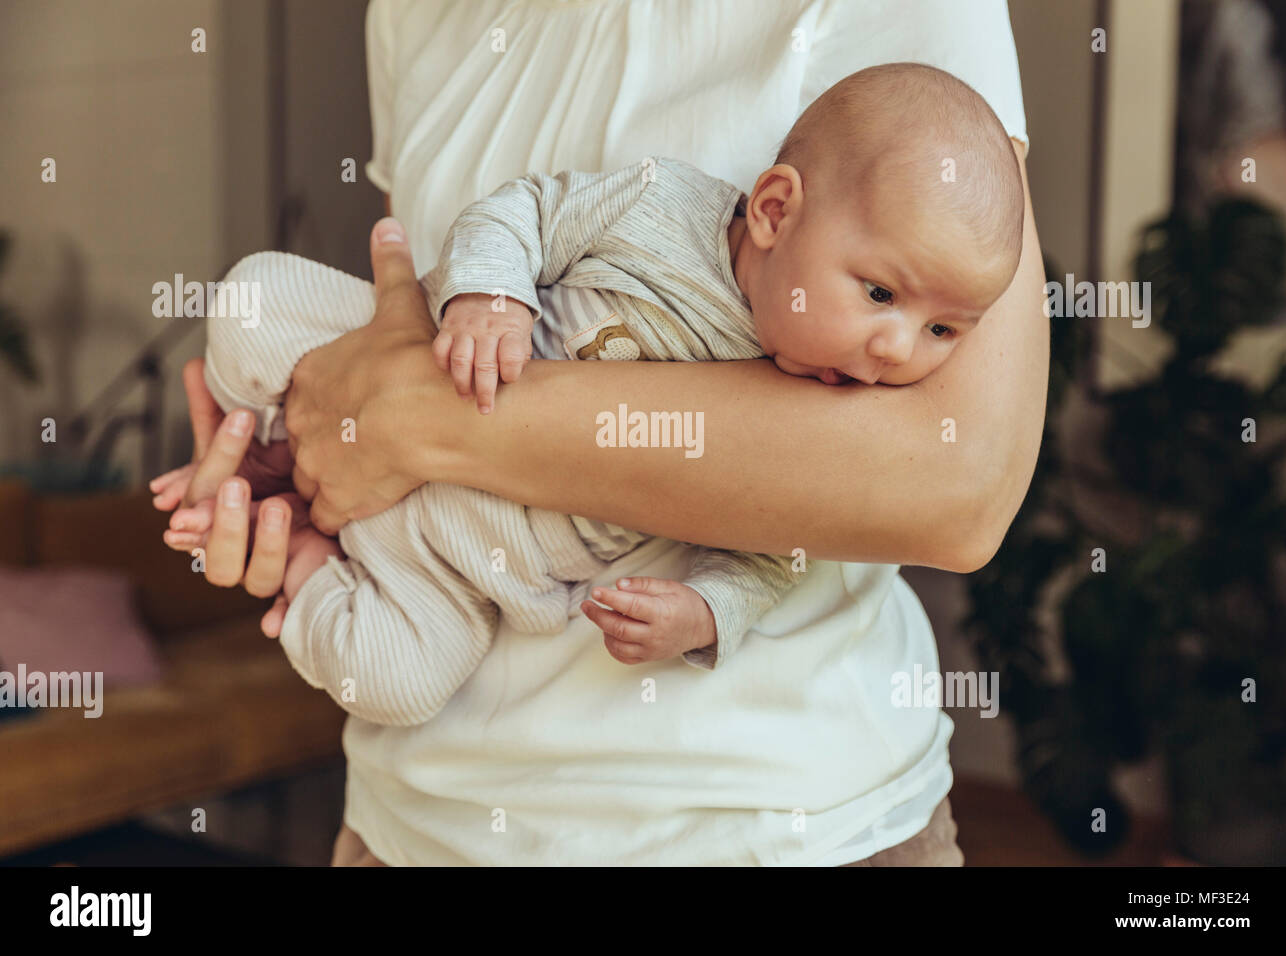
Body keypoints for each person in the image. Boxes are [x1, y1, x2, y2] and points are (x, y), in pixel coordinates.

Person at [158, 0, 1047, 865]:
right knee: (250, 303)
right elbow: (424, 299)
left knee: (396, 670)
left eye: (943, 333)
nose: (898, 353)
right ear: (772, 212)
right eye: (884, 299)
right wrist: (302, 459)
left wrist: (702, 614)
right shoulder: (425, 27)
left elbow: (953, 488)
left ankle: (315, 583)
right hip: (417, 824)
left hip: (769, 831)